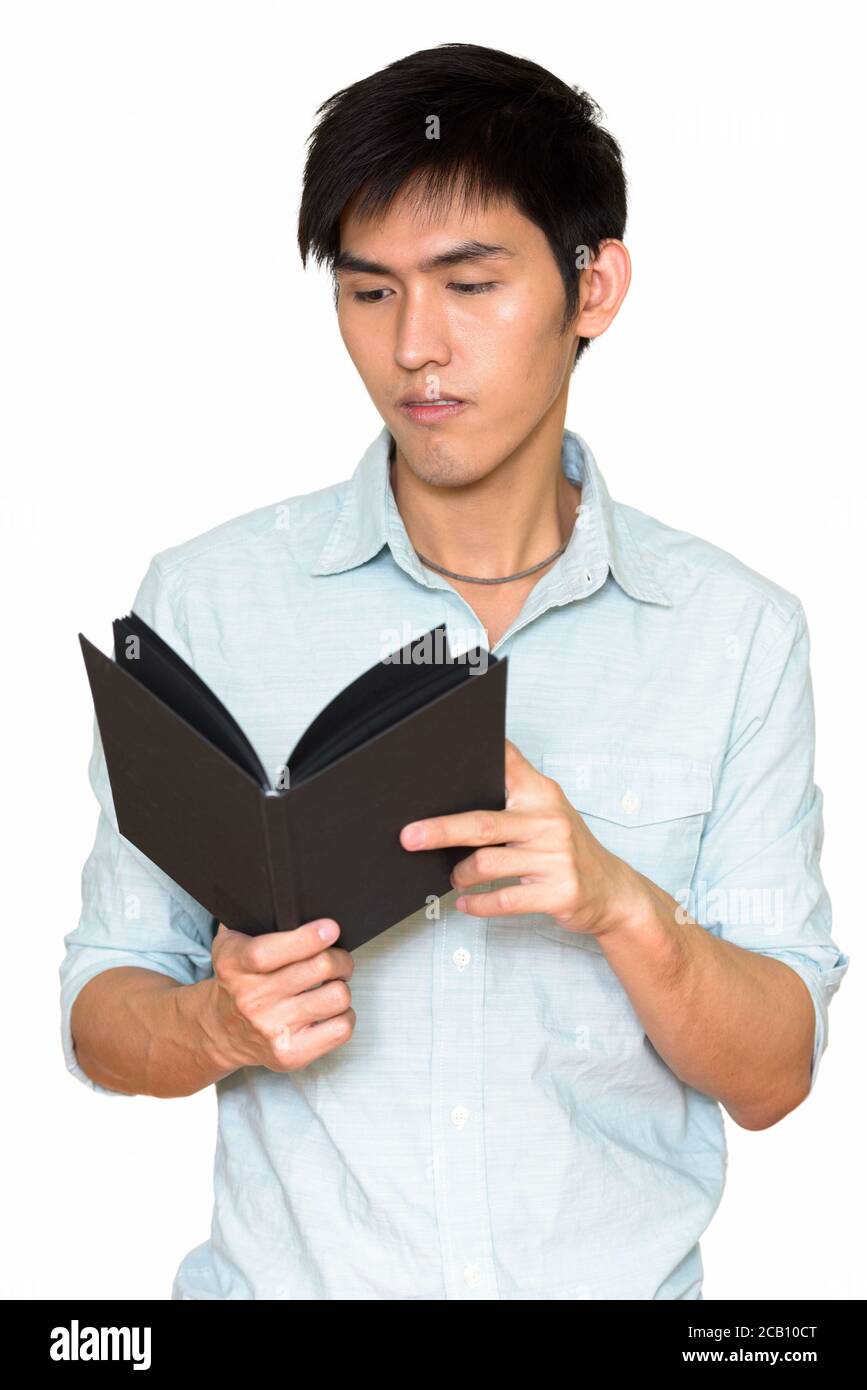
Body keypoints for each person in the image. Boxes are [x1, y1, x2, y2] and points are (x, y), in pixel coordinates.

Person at [60, 42, 849, 1301]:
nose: (416, 347)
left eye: (469, 283)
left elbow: (777, 1077)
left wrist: (617, 904)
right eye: (369, 294)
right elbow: (103, 1001)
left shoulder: (736, 633)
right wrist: (214, 1022)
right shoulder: (209, 599)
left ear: (595, 288)